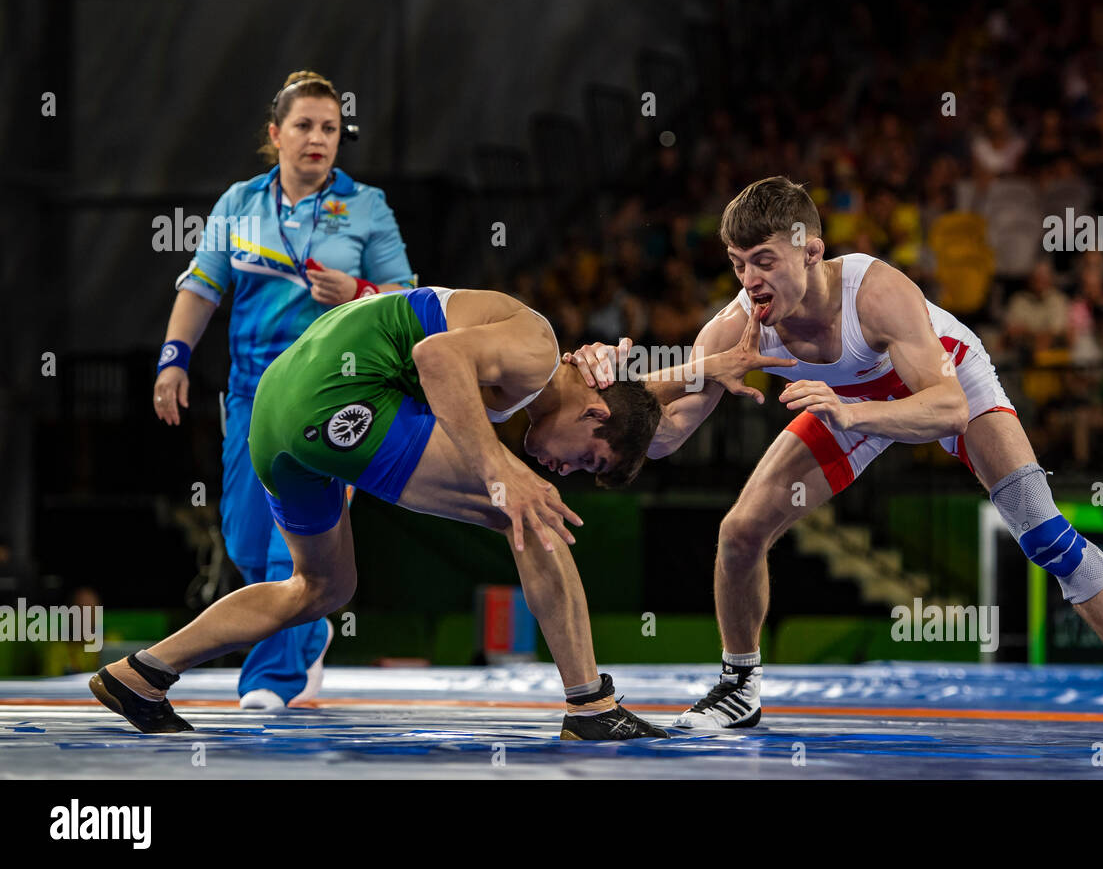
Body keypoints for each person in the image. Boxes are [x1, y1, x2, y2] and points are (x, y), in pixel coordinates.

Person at [567, 177, 1103, 744]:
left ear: (812, 251)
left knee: (1045, 535)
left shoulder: (875, 292)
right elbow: (666, 438)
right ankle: (739, 688)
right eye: (738, 265)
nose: (750, 282)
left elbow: (948, 409)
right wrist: (613, 390)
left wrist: (854, 415)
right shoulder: (738, 328)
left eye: (764, 261)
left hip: (946, 381)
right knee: (739, 533)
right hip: (848, 402)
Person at [96, 284, 784, 739]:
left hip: (279, 417)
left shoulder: (556, 380)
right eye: (588, 461)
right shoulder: (540, 346)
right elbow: (435, 357)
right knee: (534, 514)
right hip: (335, 400)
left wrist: (695, 373)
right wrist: (498, 472)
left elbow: (603, 403)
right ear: (594, 411)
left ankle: (143, 675)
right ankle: (591, 706)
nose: (568, 470)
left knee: (322, 588)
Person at [154, 71, 416, 712]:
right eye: (303, 126)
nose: (317, 139)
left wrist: (356, 294)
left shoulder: (367, 207)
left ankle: (270, 682)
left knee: (285, 545)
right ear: (276, 135)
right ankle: (310, 630)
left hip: (338, 395)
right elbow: (202, 286)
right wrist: (173, 359)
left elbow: (409, 300)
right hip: (251, 395)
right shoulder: (239, 203)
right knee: (245, 541)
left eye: (330, 128)